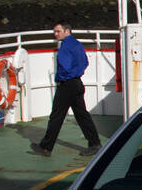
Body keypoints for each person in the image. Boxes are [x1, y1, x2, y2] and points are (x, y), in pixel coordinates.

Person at [30, 22, 102, 156]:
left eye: (58, 31)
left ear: (67, 31)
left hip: (67, 85)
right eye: (55, 32)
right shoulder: (77, 44)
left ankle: (46, 147)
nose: (55, 34)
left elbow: (65, 66)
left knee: (56, 116)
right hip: (77, 84)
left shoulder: (65, 47)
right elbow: (85, 62)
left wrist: (61, 78)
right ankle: (95, 143)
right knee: (82, 115)